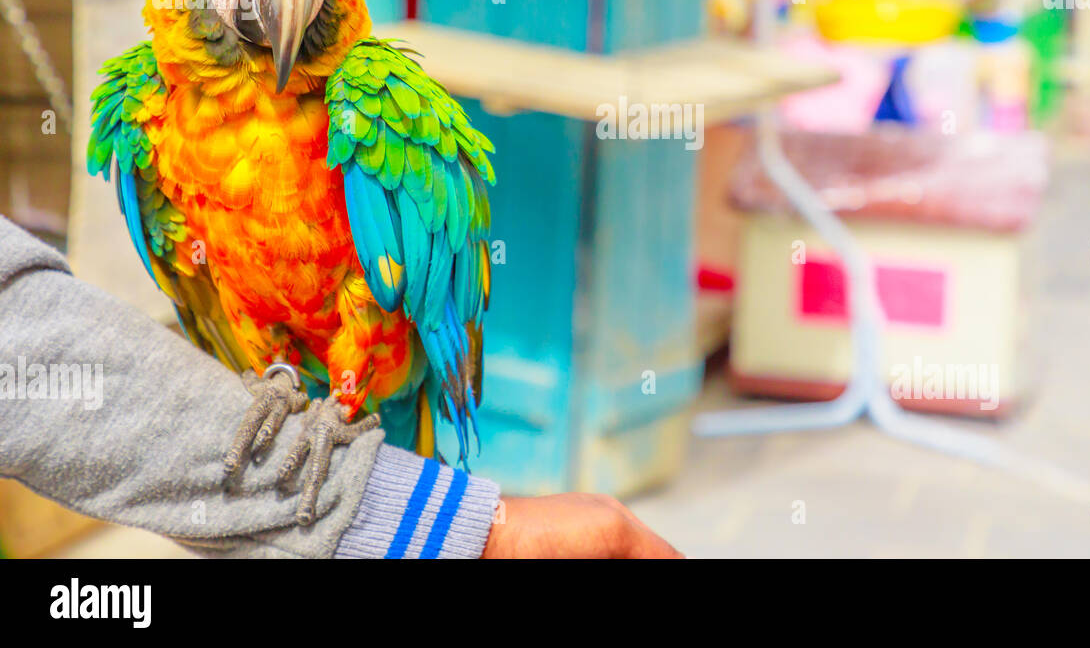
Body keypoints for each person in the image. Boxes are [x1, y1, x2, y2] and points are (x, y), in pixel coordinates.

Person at [0, 215, 680, 559]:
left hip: (373, 383)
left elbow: (22, 329)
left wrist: (461, 530)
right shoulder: (146, 114)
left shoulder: (364, 103)